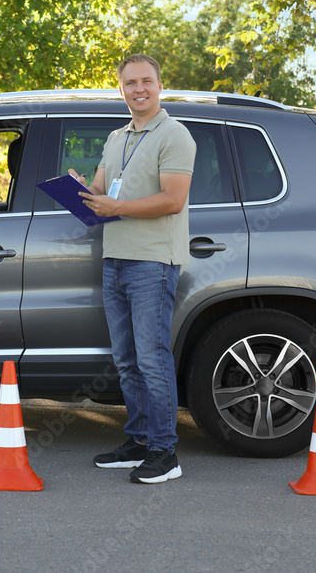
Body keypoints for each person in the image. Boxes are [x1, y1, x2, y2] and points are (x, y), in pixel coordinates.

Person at [70, 54, 196, 484]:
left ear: (160, 85)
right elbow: (101, 192)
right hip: (115, 260)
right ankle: (140, 440)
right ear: (120, 88)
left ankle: (166, 453)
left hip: (153, 262)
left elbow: (172, 199)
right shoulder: (116, 137)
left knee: (152, 359)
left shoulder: (175, 135)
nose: (139, 89)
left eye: (147, 81)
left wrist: (115, 205)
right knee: (125, 360)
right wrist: (80, 191)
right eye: (130, 83)